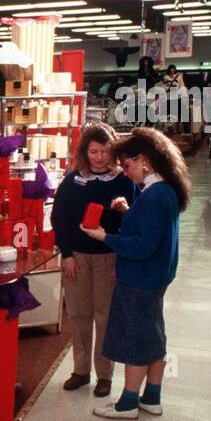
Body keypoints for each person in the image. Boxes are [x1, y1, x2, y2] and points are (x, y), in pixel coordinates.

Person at [80, 128, 190, 420]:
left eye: (127, 166)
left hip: (140, 279)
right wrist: (129, 213)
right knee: (154, 338)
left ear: (145, 160)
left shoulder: (155, 195)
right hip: (155, 276)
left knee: (136, 341)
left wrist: (105, 237)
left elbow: (142, 245)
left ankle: (127, 403)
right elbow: (151, 232)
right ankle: (151, 396)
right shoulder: (164, 191)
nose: (126, 174)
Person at [51, 123, 137, 398]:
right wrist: (66, 254)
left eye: (104, 151)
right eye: (93, 151)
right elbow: (59, 219)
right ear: (84, 152)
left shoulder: (124, 181)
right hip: (76, 257)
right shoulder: (72, 181)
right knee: (78, 315)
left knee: (105, 316)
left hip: (109, 257)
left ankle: (104, 375)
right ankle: (80, 370)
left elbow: (133, 224)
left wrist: (122, 260)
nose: (99, 157)